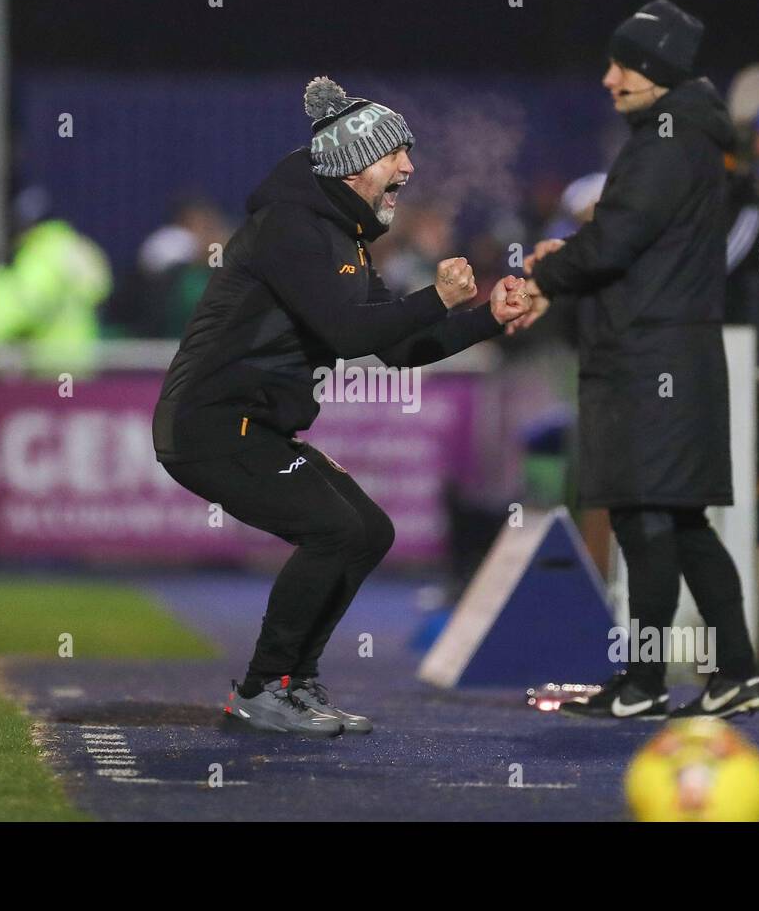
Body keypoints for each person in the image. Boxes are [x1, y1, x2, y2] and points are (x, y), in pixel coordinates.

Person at [152, 77, 531, 735]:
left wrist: (486, 318)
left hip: (252, 423)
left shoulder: (337, 231)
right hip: (213, 424)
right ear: (354, 164)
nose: (409, 168)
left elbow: (396, 347)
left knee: (367, 531)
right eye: (396, 155)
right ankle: (264, 688)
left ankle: (294, 682)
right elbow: (354, 333)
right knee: (334, 531)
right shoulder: (293, 228)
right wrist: (439, 298)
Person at [515, 0, 759, 720]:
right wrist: (570, 258)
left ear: (655, 70)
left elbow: (618, 242)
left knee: (645, 518)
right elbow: (631, 242)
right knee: (682, 521)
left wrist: (546, 275)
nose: (608, 78)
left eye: (623, 64)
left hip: (646, 355)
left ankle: (643, 683)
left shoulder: (665, 143)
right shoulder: (684, 136)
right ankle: (735, 674)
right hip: (670, 353)